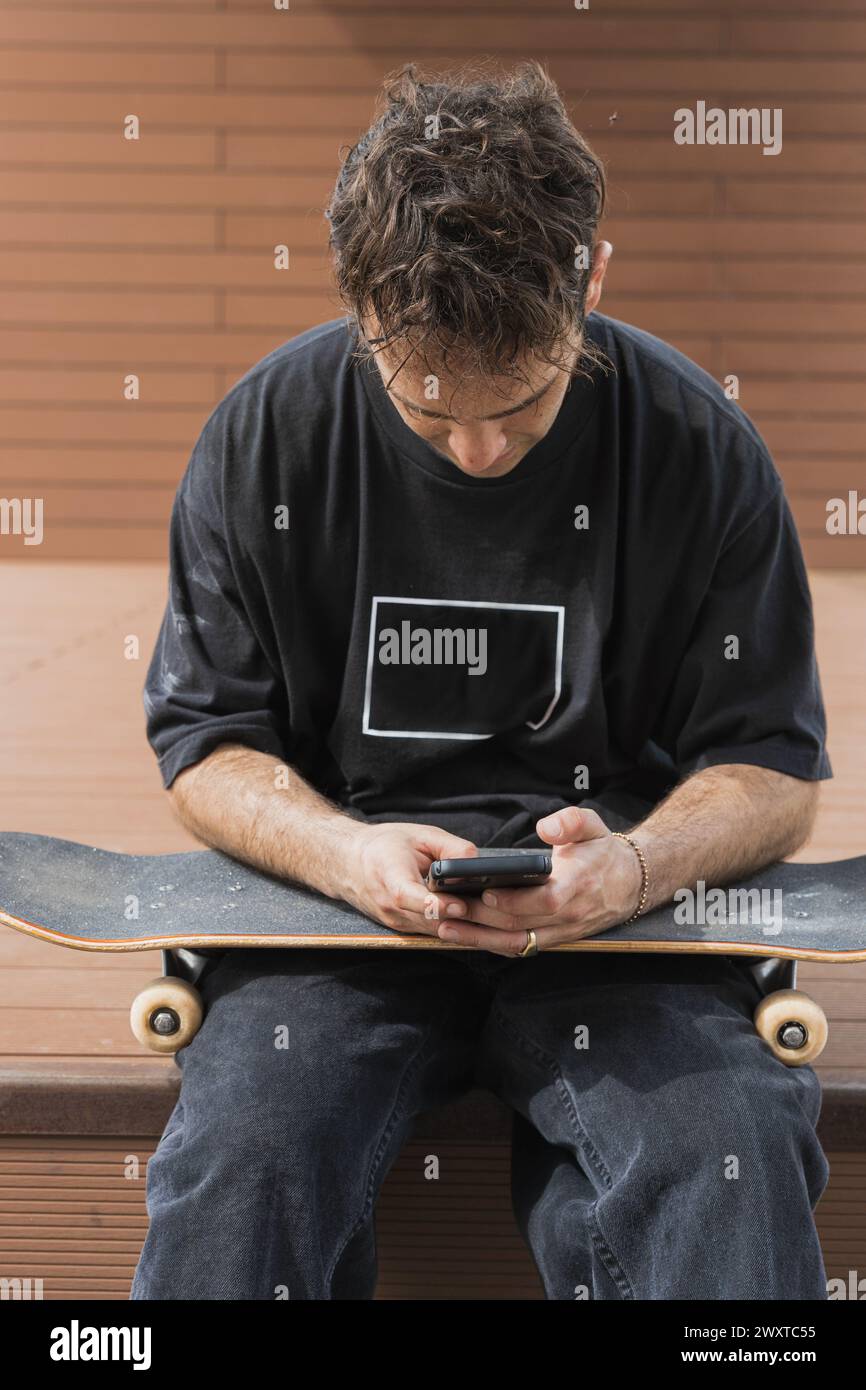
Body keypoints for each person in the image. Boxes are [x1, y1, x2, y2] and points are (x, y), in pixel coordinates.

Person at [132, 62, 831, 1301]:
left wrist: (634, 865)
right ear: (357, 306)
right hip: (332, 924)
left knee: (722, 1151)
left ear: (591, 280)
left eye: (519, 402)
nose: (477, 450)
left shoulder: (699, 451)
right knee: (243, 1158)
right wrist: (346, 855)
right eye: (428, 408)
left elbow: (768, 769)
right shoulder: (265, 438)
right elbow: (208, 745)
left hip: (619, 934)